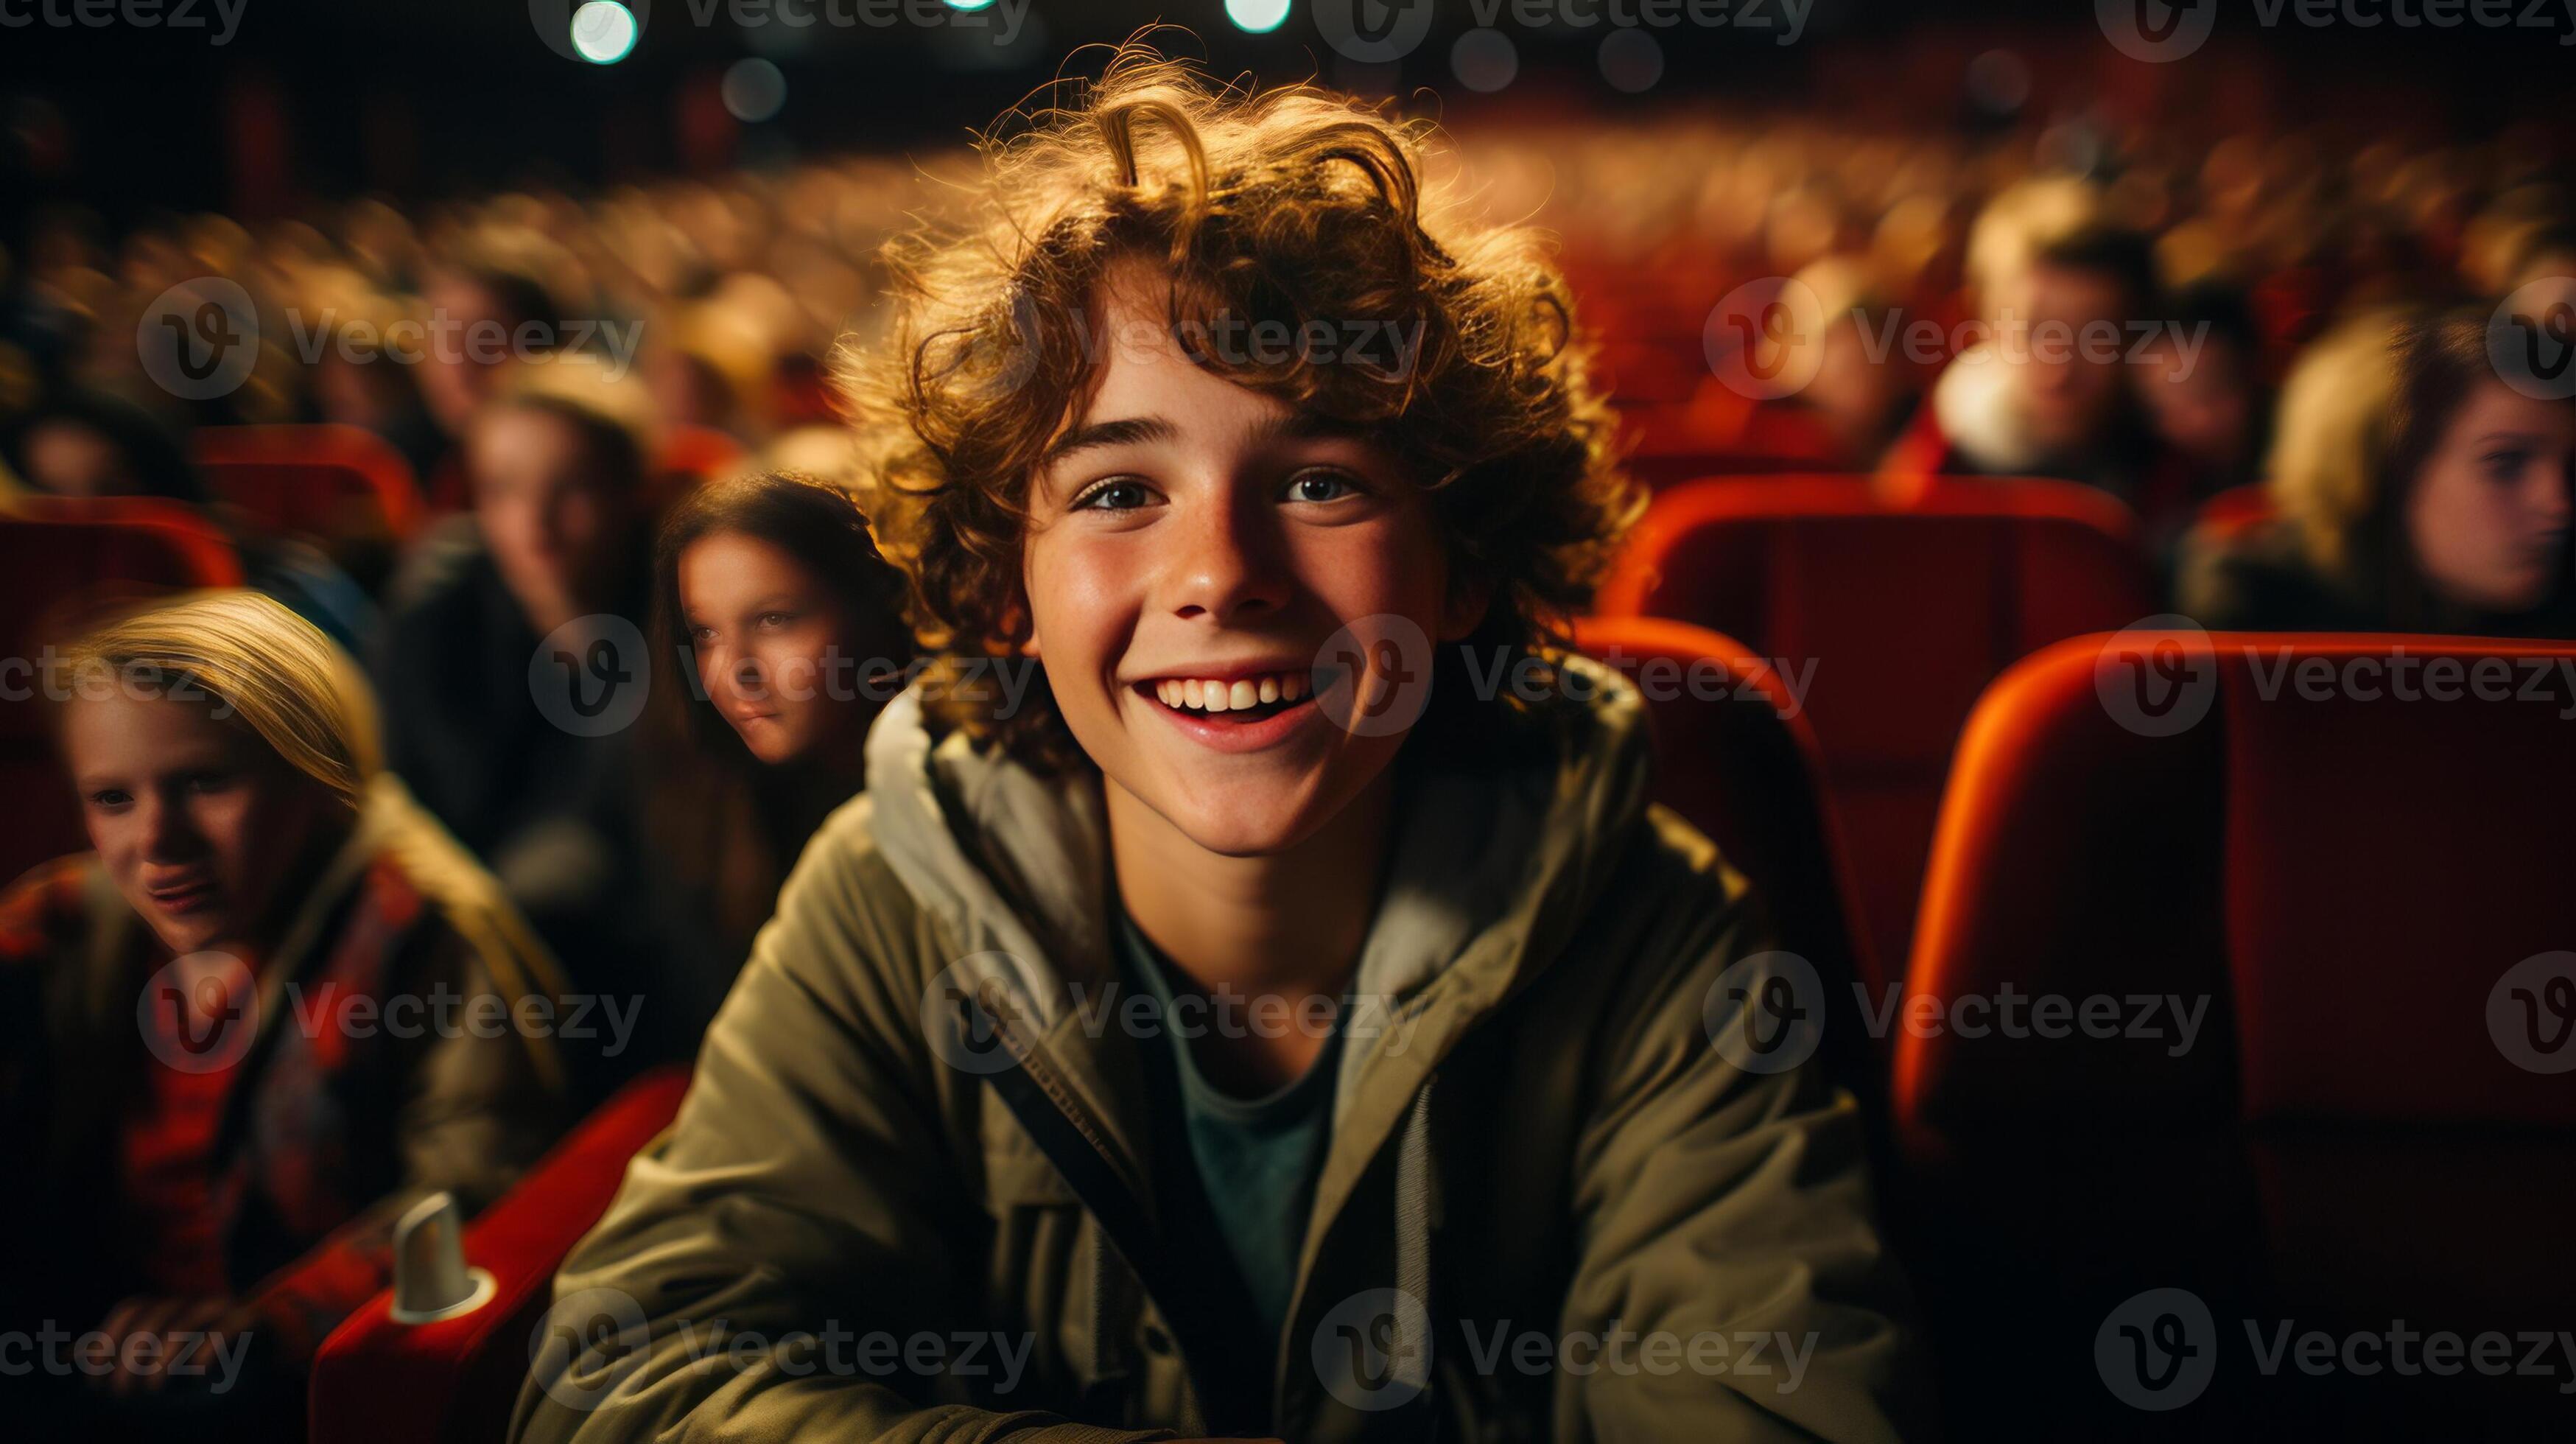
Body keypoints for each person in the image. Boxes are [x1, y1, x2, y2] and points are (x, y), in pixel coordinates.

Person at [513, 53, 1920, 1443]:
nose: (1221, 575)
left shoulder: (1649, 924)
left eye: (1318, 482)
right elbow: (624, 1381)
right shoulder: (889, 898)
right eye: (1118, 491)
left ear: (1463, 565)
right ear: (1007, 591)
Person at [0, 592, 569, 1441]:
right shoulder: (69, 920)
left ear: (315, 771)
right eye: (113, 798)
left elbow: (481, 1191)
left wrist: (273, 1323)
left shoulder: (425, 929)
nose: (156, 842)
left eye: (206, 782)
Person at [371, 361, 675, 1090]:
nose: (534, 523)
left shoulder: (686, 613)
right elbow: (406, 811)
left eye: (571, 487)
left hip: (648, 958)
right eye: (502, 489)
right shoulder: (435, 616)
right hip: (474, 949)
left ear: (634, 493)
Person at [641, 471, 913, 981]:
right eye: (705, 633)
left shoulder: (950, 795)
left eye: (773, 620)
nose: (735, 671)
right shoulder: (703, 801)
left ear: (872, 610)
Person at [2180, 308, 2576, 635]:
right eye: (2505, 463)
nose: (2559, 507)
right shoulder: (2252, 613)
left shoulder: (2556, 601)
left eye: (2571, 466)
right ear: (2376, 467)